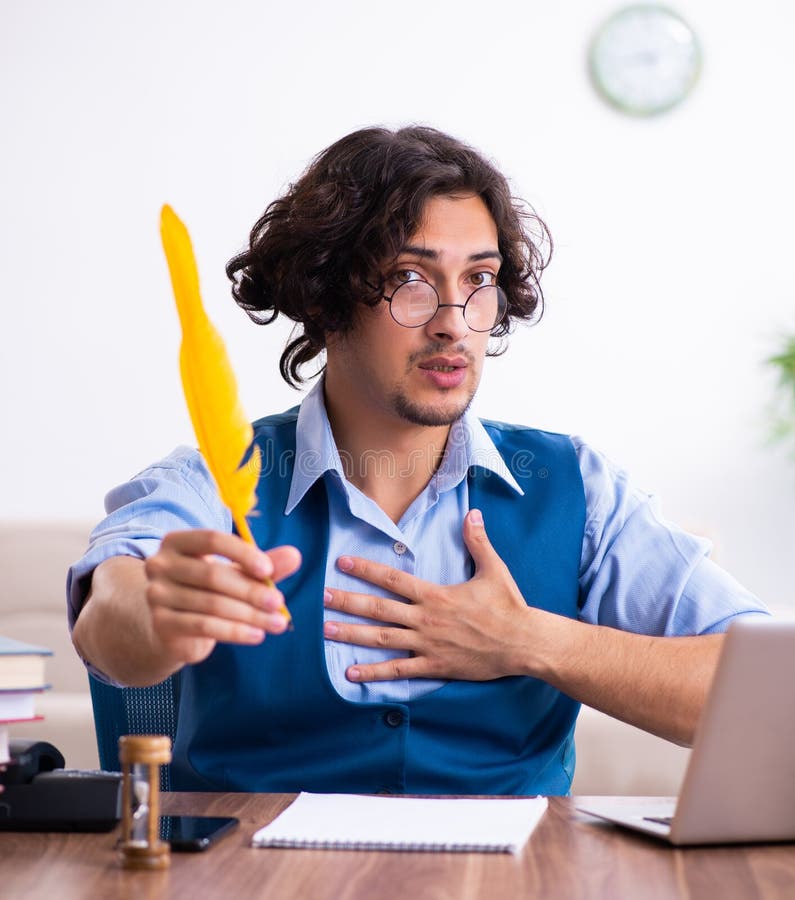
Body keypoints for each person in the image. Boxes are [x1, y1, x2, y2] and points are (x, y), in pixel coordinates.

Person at [68, 126, 768, 795]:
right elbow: (109, 612)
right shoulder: (210, 483)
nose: (453, 322)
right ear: (326, 296)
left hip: (514, 869)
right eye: (410, 277)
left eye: (479, 278)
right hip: (255, 864)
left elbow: (763, 692)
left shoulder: (576, 488)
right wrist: (158, 609)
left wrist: (532, 641)